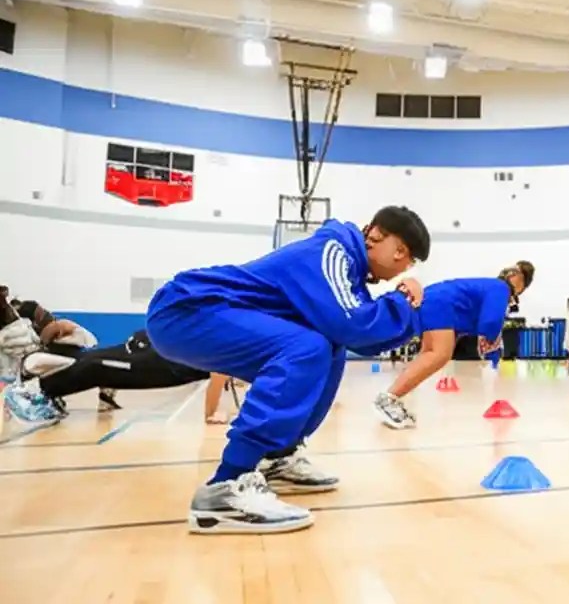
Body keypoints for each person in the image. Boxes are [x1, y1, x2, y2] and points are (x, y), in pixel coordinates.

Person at [146, 206, 431, 535]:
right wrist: (402, 300)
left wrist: (406, 310)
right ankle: (227, 486)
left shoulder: (349, 271)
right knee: (306, 348)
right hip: (188, 308)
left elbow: (359, 340)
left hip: (205, 312)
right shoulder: (332, 252)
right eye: (405, 257)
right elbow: (356, 324)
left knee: (328, 347)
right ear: (380, 238)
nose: (401, 269)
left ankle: (277, 457)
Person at [373, 262, 534, 429]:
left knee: (428, 355)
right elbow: (491, 320)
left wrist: (482, 336)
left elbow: (471, 316)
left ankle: (391, 397)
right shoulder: (501, 288)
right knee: (440, 354)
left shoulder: (489, 285)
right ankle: (388, 398)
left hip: (435, 299)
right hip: (441, 304)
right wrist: (492, 342)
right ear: (520, 285)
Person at [3, 328, 233, 424]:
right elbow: (218, 373)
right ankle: (34, 393)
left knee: (98, 363)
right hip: (158, 363)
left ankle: (43, 389)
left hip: (159, 356)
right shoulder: (229, 340)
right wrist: (212, 413)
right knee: (97, 365)